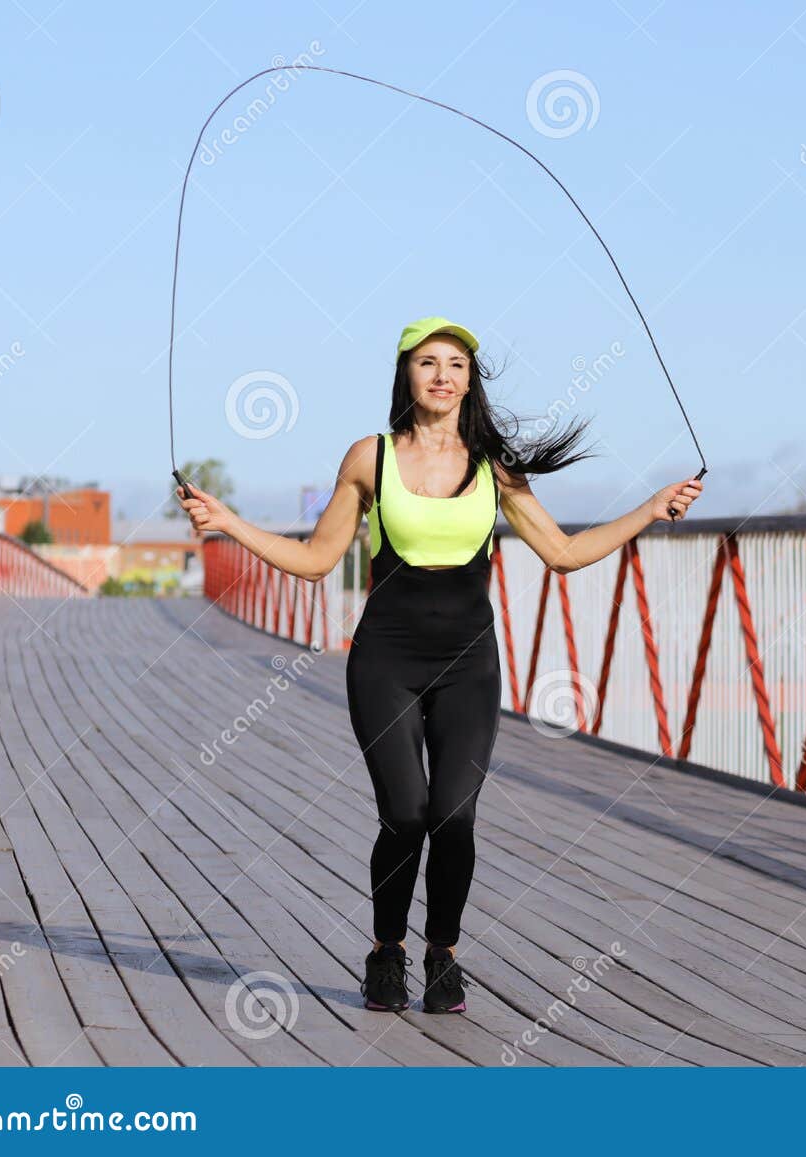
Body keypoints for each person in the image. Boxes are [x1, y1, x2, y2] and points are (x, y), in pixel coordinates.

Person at [178, 315, 703, 1014]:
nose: (443, 375)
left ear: (470, 379)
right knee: (405, 812)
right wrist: (231, 521)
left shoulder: (494, 465)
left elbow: (564, 553)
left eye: (456, 363)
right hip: (384, 660)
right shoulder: (371, 458)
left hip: (468, 665)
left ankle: (442, 954)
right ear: (407, 374)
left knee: (453, 814)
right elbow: (313, 561)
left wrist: (649, 506)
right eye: (429, 362)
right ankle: (386, 950)